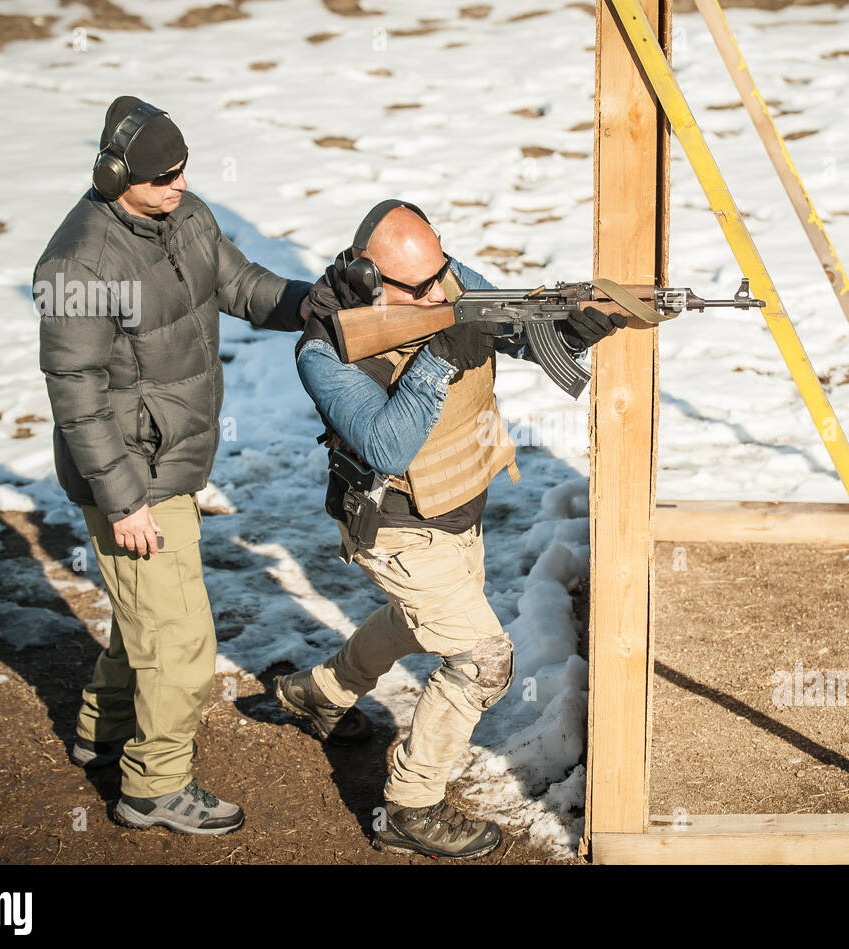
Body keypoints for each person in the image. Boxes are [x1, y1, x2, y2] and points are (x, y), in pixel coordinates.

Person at [275, 199, 624, 858]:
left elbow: (514, 329)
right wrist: (439, 357)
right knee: (482, 660)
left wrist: (574, 326)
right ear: (374, 281)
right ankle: (411, 805)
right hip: (399, 526)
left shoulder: (436, 278)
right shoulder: (323, 350)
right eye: (424, 286)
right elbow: (386, 445)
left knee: (419, 620)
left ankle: (322, 692)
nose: (442, 289)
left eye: (443, 272)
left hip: (458, 506)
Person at [36, 96, 314, 835]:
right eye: (164, 176)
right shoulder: (79, 261)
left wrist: (315, 302)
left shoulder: (184, 217)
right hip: (133, 475)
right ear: (113, 173)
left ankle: (102, 733)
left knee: (145, 623)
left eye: (184, 170)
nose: (180, 184)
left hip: (173, 459)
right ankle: (154, 788)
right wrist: (124, 500)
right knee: (181, 642)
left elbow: (242, 285)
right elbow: (76, 394)